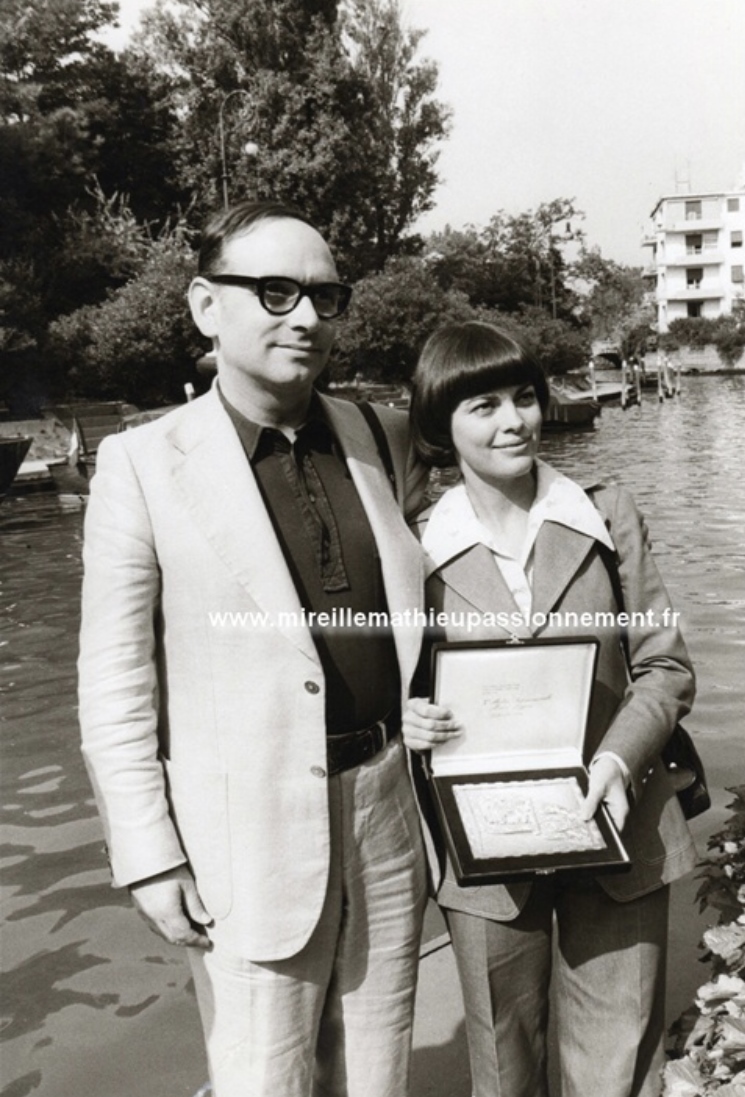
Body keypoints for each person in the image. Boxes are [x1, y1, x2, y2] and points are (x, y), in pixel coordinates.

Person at [78, 200, 429, 1097]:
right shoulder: (142, 461)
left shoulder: (371, 433)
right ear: (206, 306)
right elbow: (114, 682)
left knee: (378, 1067)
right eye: (273, 292)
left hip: (386, 811)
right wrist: (149, 854)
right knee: (262, 1077)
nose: (304, 317)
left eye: (323, 295)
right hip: (242, 834)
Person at [402, 321, 697, 1097]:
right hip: (483, 851)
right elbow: (394, 683)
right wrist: (413, 718)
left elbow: (664, 664)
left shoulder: (606, 516)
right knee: (503, 1066)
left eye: (523, 397)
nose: (513, 420)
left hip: (618, 826)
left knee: (619, 1063)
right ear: (440, 424)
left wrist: (617, 756)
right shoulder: (412, 547)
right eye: (482, 405)